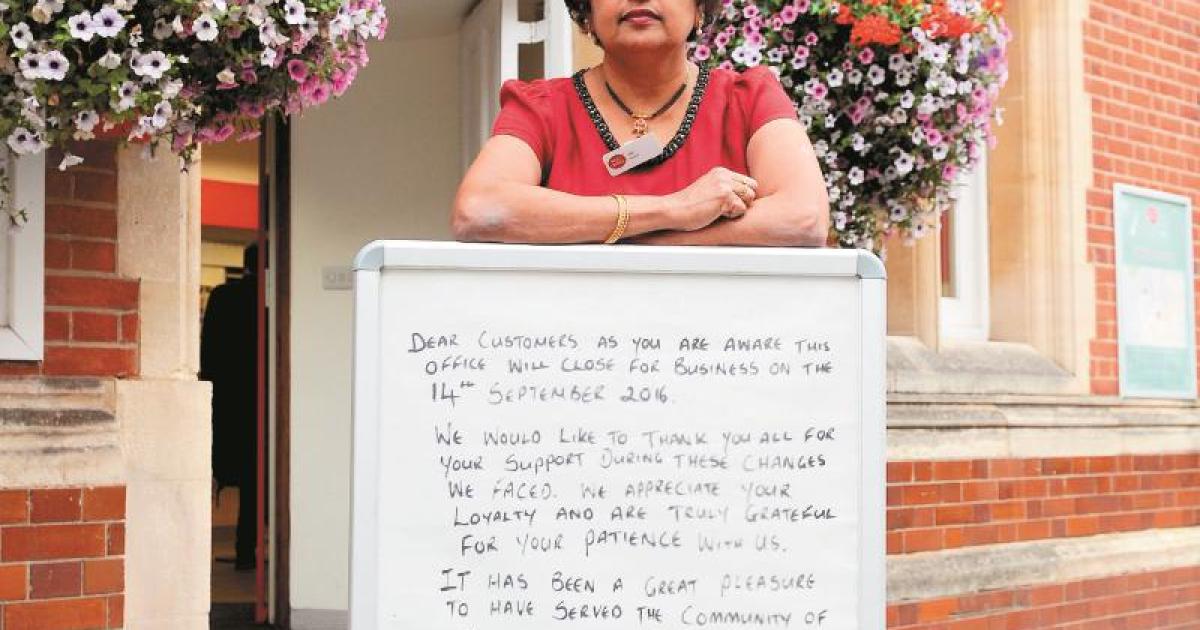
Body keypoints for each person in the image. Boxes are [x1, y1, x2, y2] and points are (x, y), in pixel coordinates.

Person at [453, 0, 829, 246]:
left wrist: (631, 238)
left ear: (700, 10)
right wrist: (673, 210)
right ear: (587, 15)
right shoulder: (541, 108)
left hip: (722, 352)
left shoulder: (750, 98)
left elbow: (803, 217)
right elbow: (480, 208)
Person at [200, 245, 260, 571]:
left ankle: (240, 549)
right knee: (257, 477)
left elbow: (207, 352)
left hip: (228, 401)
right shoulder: (271, 300)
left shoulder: (223, 297)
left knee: (235, 474)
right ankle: (251, 548)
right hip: (261, 400)